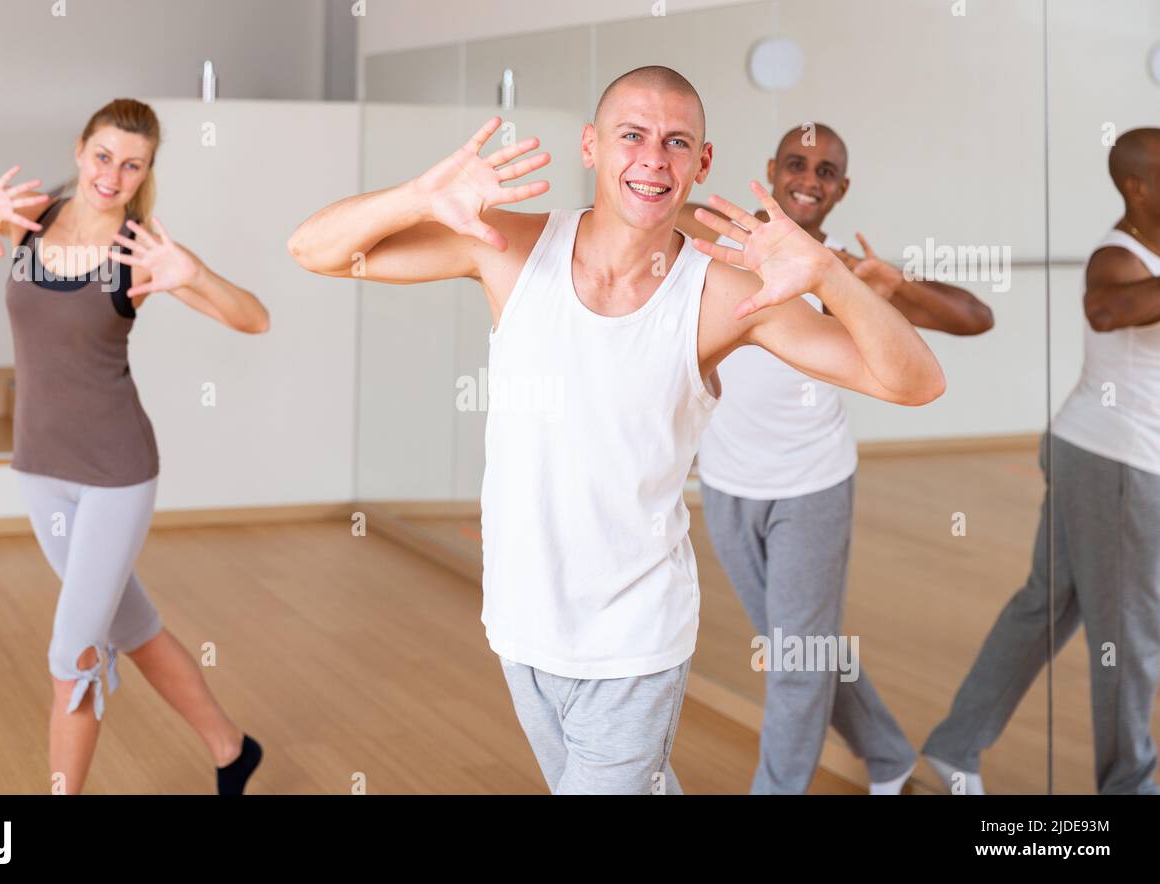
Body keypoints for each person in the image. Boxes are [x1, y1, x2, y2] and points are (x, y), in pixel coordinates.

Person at [288, 66, 945, 794]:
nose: (652, 159)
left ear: (702, 163)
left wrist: (828, 274)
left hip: (634, 643)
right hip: (520, 627)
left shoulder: (725, 295)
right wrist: (416, 197)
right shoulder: (507, 247)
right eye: (631, 135)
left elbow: (914, 382)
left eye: (675, 143)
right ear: (591, 147)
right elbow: (312, 250)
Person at [0, 98, 269, 796]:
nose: (112, 174)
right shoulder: (29, 215)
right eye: (103, 156)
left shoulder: (141, 252)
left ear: (146, 172)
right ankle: (231, 749)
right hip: (39, 470)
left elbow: (255, 319)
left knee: (74, 653)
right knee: (137, 629)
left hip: (115, 475)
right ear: (78, 150)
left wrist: (197, 277)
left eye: (132, 165)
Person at [674, 122, 993, 794]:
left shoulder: (843, 273)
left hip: (811, 488)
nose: (808, 180)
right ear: (772, 169)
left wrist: (893, 288)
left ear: (841, 190)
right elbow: (645, 205)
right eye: (797, 164)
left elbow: (973, 317)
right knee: (803, 646)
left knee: (796, 657)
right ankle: (887, 754)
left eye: (825, 173)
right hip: (728, 487)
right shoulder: (719, 238)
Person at [923, 127, 1160, 795]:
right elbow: (1109, 309)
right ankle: (1130, 786)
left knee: (1046, 607)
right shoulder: (1115, 256)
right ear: (1136, 187)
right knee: (1132, 633)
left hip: (1099, 454)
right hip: (1114, 464)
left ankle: (953, 748)